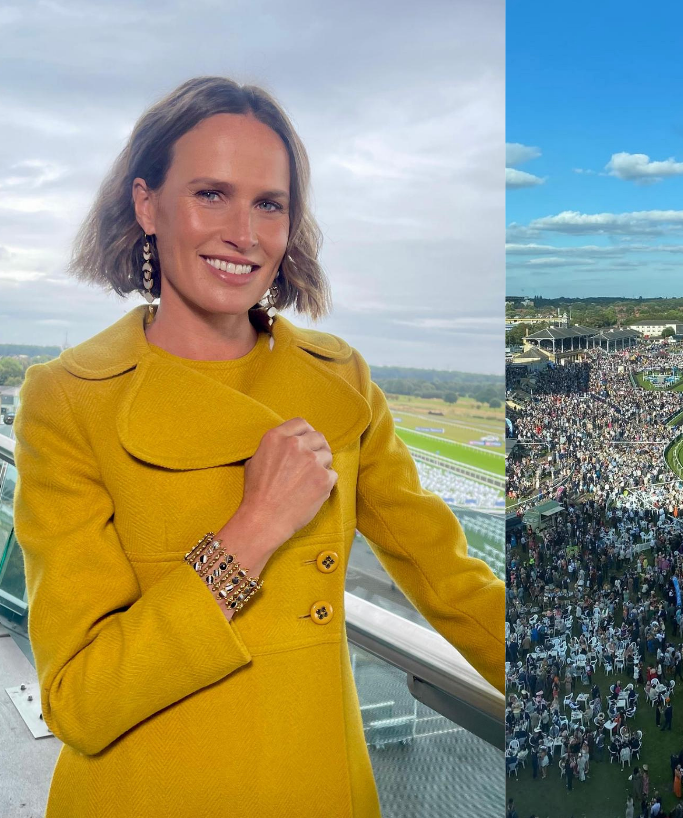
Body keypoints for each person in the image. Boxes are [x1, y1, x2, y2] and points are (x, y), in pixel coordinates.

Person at [11, 77, 507, 817]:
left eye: (269, 204)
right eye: (211, 194)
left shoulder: (339, 381)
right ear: (146, 204)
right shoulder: (69, 400)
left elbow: (455, 584)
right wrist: (253, 530)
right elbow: (77, 700)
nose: (243, 232)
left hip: (319, 785)